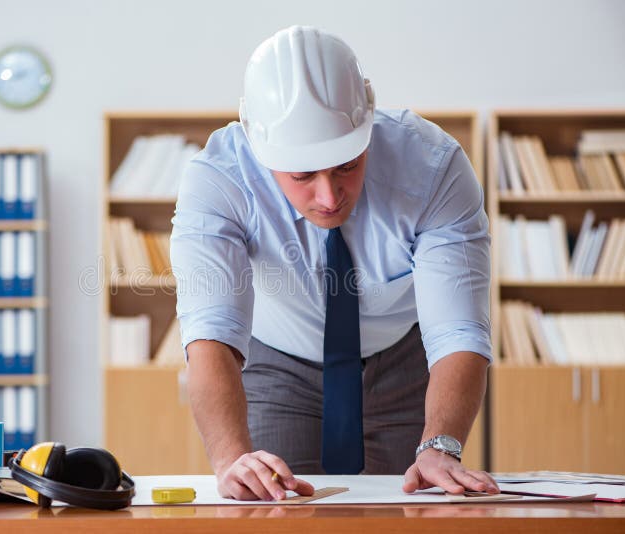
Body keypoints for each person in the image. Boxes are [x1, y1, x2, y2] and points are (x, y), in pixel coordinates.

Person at [170, 25, 498, 501]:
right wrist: (230, 460)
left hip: (404, 362)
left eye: (347, 163)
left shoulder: (434, 168)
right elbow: (211, 333)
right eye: (302, 175)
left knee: (411, 511)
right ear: (260, 149)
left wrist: (440, 445)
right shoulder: (218, 181)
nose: (328, 197)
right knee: (267, 506)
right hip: (277, 362)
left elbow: (458, 331)